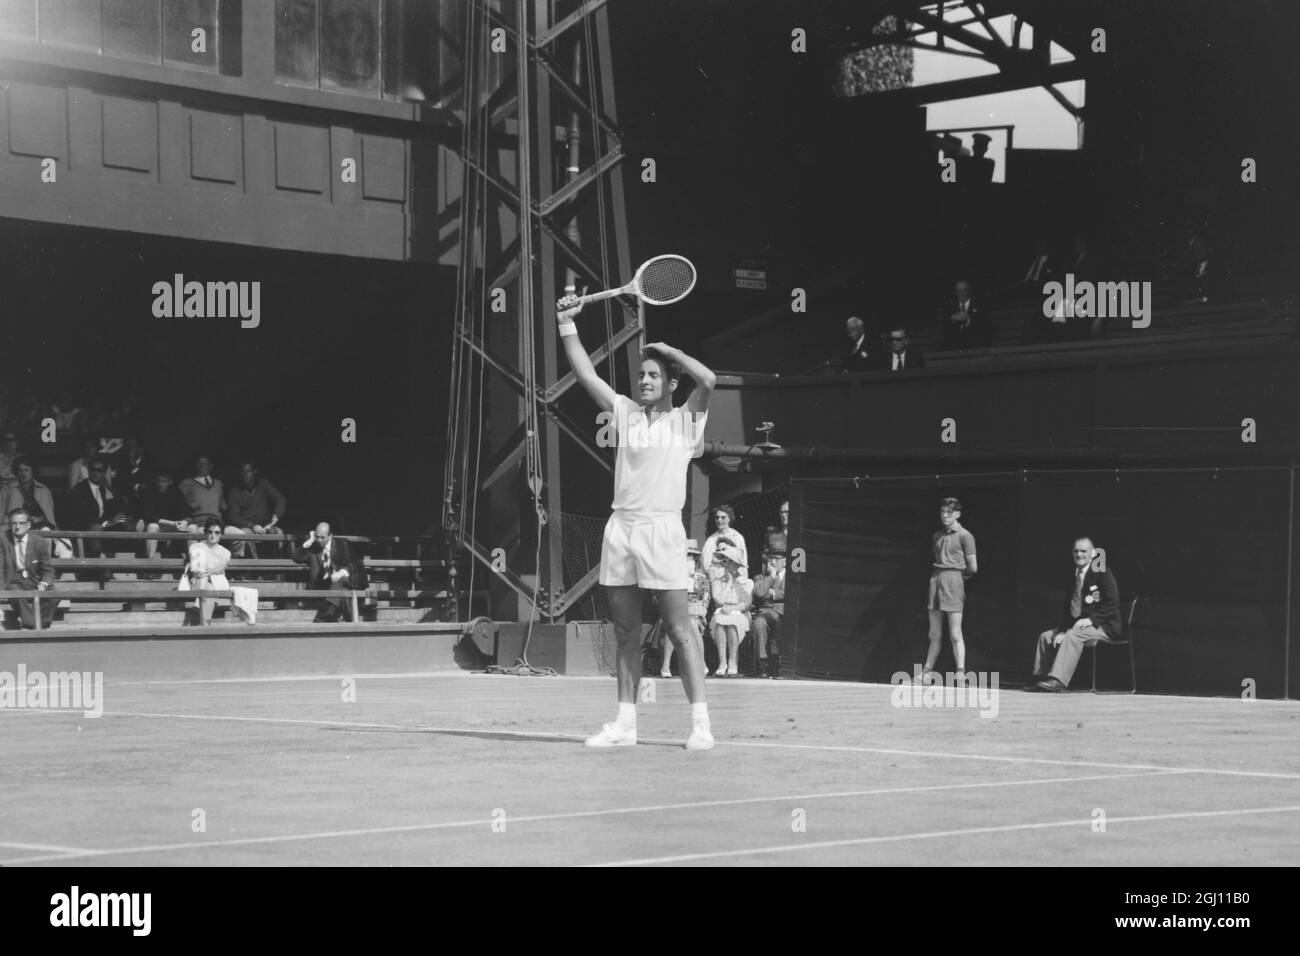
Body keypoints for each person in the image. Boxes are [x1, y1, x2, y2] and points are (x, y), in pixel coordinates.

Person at [556, 290, 716, 750]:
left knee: (680, 631)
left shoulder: (688, 421)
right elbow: (584, 373)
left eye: (653, 375)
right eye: (641, 374)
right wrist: (567, 323)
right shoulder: (625, 413)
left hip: (663, 531)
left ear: (670, 383)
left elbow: (709, 379)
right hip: (621, 530)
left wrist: (670, 353)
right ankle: (625, 724)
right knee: (625, 633)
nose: (644, 380)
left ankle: (701, 725)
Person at [1027, 538, 1121, 692]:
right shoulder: (1074, 575)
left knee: (1073, 635)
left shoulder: (1102, 572)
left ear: (1092, 554)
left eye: (1083, 551)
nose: (1079, 554)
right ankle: (1040, 679)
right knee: (1046, 637)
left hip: (1104, 627)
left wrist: (1091, 620)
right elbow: (1069, 608)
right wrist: (1063, 630)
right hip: (1078, 627)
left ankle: (1058, 681)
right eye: (1076, 551)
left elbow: (1113, 603)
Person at [923, 497, 977, 677]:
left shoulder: (965, 536)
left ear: (958, 514)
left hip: (954, 582)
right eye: (942, 512)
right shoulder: (936, 536)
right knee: (934, 633)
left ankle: (960, 674)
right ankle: (926, 673)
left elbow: (973, 567)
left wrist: (958, 579)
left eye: (949, 512)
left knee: (955, 634)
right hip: (936, 582)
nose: (945, 516)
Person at [182, 519, 256, 625]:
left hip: (218, 583)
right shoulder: (196, 547)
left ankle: (203, 621)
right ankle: (205, 624)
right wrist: (206, 574)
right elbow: (196, 569)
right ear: (205, 532)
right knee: (207, 586)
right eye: (210, 532)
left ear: (221, 534)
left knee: (209, 588)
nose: (213, 535)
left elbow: (220, 568)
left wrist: (209, 572)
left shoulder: (225, 552)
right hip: (198, 582)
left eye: (217, 532)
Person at [0, 457, 72, 559]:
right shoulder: (8, 490)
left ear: (33, 471)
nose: (23, 473)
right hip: (14, 527)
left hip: (38, 527)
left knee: (46, 532)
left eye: (27, 470)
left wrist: (39, 519)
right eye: (20, 470)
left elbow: (49, 517)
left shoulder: (43, 490)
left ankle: (43, 565)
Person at [658, 539, 709, 679]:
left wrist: (698, 608)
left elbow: (705, 599)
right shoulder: (672, 577)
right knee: (674, 625)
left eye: (691, 557)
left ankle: (701, 663)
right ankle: (665, 665)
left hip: (695, 614)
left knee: (692, 623)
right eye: (686, 557)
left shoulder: (702, 578)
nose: (689, 560)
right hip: (676, 612)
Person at [0, 508, 56, 628]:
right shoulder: (2, 540)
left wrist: (44, 583)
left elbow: (47, 569)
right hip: (12, 580)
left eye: (21, 523)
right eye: (14, 523)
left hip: (33, 580)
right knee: (17, 593)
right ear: (10, 525)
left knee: (54, 594)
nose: (17, 526)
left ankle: (42, 624)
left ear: (28, 525)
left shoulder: (39, 542)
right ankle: (31, 625)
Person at [292, 522, 355, 622]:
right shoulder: (313, 548)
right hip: (320, 587)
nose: (319, 540)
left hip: (337, 584)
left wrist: (341, 572)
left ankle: (327, 615)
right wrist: (310, 540)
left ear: (330, 535)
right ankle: (349, 619)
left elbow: (352, 564)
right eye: (317, 537)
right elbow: (296, 557)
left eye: (322, 537)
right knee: (343, 591)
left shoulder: (341, 545)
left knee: (340, 583)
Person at [708, 540, 752, 677]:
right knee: (721, 622)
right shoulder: (717, 580)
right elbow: (718, 599)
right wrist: (728, 581)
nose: (723, 564)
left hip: (740, 614)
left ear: (735, 564)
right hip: (722, 612)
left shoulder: (746, 582)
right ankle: (722, 663)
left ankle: (733, 661)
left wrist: (734, 608)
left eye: (727, 561)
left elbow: (747, 603)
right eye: (723, 561)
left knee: (732, 622)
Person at [225, 461, 287, 557]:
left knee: (277, 532)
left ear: (254, 472)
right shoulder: (235, 491)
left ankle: (277, 567)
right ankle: (256, 564)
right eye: (243, 471)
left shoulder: (263, 484)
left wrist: (276, 515)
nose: (246, 474)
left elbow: (280, 499)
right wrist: (252, 525)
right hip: (247, 526)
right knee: (245, 534)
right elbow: (233, 516)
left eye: (248, 471)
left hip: (265, 524)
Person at [136, 470, 193, 564]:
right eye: (158, 481)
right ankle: (150, 564)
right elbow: (150, 517)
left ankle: (193, 565)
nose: (160, 484)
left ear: (170, 482)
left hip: (176, 527)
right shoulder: (150, 493)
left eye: (163, 481)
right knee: (152, 526)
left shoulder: (176, 493)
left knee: (193, 528)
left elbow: (188, 515)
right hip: (160, 527)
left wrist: (184, 522)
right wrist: (172, 523)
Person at [750, 550, 786, 678]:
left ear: (785, 561)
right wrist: (771, 577)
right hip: (765, 612)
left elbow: (791, 594)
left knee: (781, 624)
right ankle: (763, 664)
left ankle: (778, 666)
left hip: (783, 612)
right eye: (770, 559)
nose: (773, 562)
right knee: (759, 623)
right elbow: (759, 592)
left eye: (777, 558)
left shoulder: (790, 577)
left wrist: (774, 593)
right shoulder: (760, 577)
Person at [938, 279, 990, 350]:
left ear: (969, 291)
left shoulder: (980, 305)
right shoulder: (949, 307)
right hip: (953, 347)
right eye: (959, 291)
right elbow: (945, 328)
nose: (962, 293)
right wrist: (953, 319)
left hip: (976, 346)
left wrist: (968, 318)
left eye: (964, 290)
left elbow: (985, 325)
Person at [178, 455, 226, 527]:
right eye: (199, 464)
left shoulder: (218, 483)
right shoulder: (187, 483)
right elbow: (179, 505)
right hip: (197, 522)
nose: (201, 467)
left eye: (204, 464)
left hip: (217, 522)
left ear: (211, 466)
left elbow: (222, 505)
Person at [700, 504, 748, 575]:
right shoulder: (711, 539)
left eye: (723, 517)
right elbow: (705, 562)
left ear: (729, 519)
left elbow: (742, 560)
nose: (719, 520)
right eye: (717, 517)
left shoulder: (736, 537)